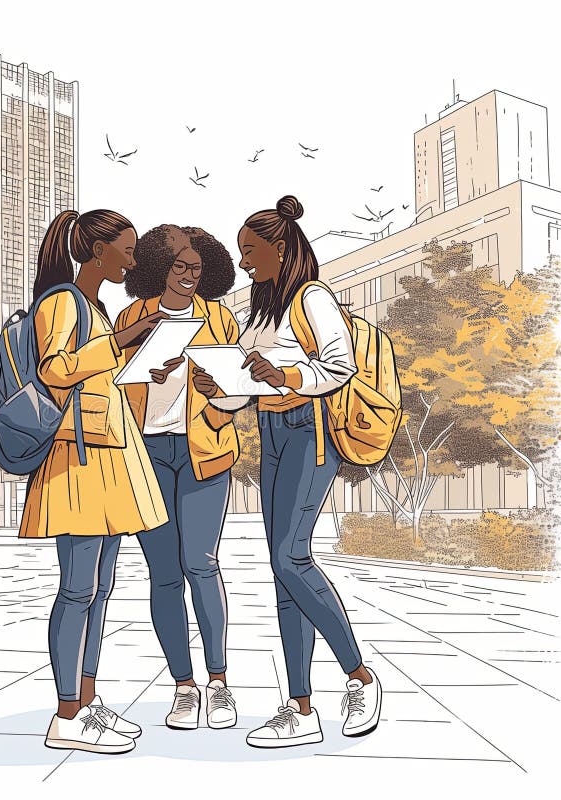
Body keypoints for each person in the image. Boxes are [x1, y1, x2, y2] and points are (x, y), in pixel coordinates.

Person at [203, 195, 382, 748]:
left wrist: (284, 375)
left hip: (311, 430)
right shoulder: (259, 309)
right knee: (284, 573)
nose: (245, 263)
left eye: (252, 252)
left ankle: (360, 676)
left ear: (281, 248)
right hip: (272, 433)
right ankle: (300, 706)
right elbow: (250, 379)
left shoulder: (313, 298)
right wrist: (223, 391)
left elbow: (339, 364)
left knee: (291, 556)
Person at [19, 209, 169, 755]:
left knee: (100, 589)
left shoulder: (95, 307)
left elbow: (92, 370)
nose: (132, 259)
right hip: (77, 458)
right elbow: (55, 369)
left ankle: (87, 701)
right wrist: (121, 339)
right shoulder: (62, 301)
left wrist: (133, 355)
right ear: (97, 251)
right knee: (78, 588)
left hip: (106, 453)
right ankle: (65, 715)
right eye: (125, 250)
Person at [116, 225, 240, 730]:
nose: (189, 276)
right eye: (179, 267)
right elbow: (110, 384)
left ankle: (218, 682)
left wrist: (216, 390)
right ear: (156, 269)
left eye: (196, 268)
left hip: (204, 452)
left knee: (201, 564)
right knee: (164, 574)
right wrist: (146, 373)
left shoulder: (221, 319)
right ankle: (183, 687)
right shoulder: (131, 318)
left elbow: (238, 397)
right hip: (145, 452)